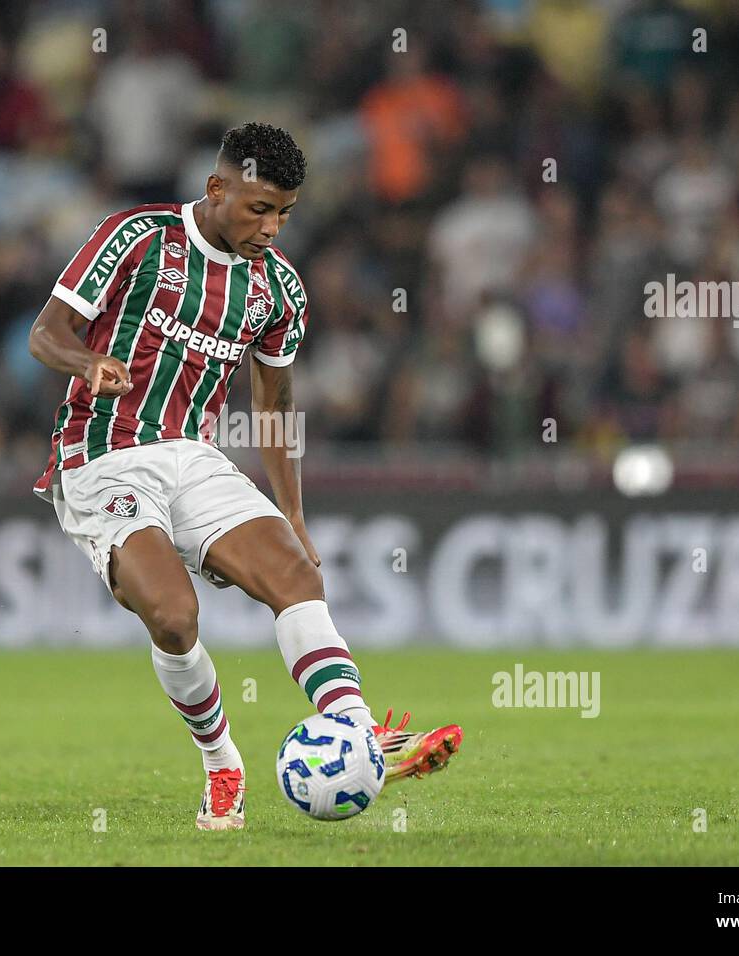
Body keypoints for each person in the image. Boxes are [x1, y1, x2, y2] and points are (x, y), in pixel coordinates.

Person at [29, 122, 462, 830]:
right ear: (217, 188)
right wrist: (88, 365)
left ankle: (358, 731)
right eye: (260, 209)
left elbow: (275, 402)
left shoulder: (278, 288)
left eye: (285, 212)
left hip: (195, 457)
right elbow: (46, 332)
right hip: (101, 453)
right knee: (172, 616)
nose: (272, 226)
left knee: (295, 576)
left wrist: (291, 512)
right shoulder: (135, 237)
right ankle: (222, 761)